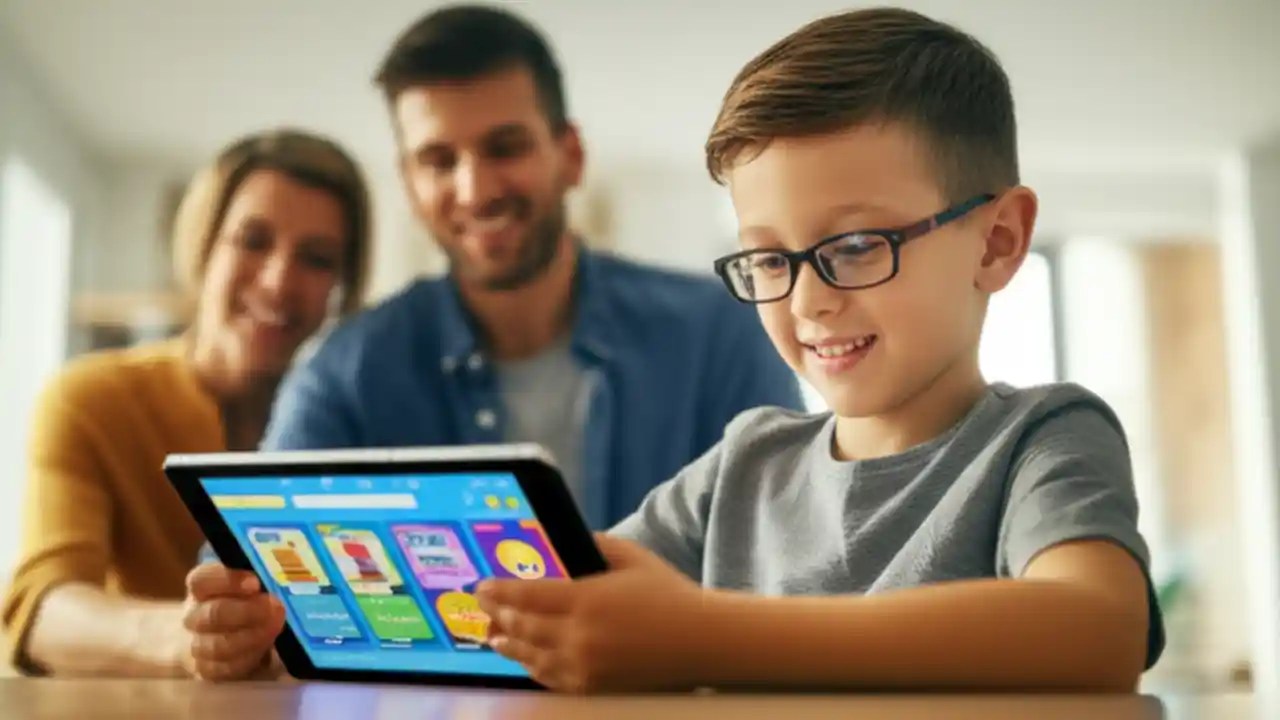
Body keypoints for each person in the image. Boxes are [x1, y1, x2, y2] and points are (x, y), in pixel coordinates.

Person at [473, 7, 1168, 691]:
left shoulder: (1041, 441)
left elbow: (1099, 631)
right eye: (770, 260)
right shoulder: (745, 464)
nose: (807, 301)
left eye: (858, 246)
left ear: (998, 242)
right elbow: (582, 597)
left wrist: (706, 638)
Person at [254, 5, 801, 528]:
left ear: (571, 155)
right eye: (439, 161)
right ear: (409, 185)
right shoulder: (345, 372)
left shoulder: (716, 334)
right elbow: (251, 557)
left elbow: (790, 555)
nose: (475, 191)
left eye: (505, 148)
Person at [1, 129, 374, 677]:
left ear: (340, 286)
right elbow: (43, 613)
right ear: (202, 244)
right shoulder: (89, 399)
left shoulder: (349, 424)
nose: (278, 281)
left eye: (316, 259)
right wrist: (189, 636)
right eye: (252, 240)